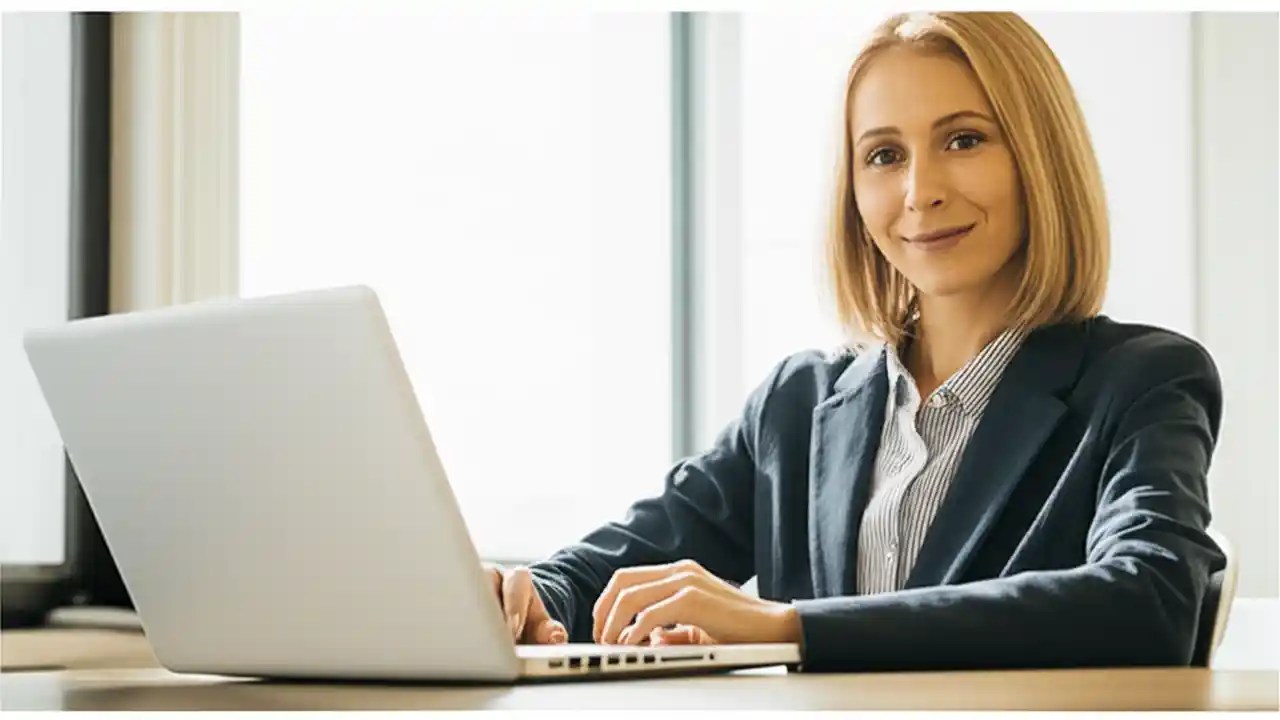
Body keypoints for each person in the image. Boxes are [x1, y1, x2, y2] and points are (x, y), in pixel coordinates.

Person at [486, 11, 1225, 672]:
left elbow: (1150, 602)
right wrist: (522, 597)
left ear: (1039, 157)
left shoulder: (1143, 381)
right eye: (883, 155)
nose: (919, 192)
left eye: (963, 139)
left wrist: (790, 627)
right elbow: (607, 573)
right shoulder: (797, 405)